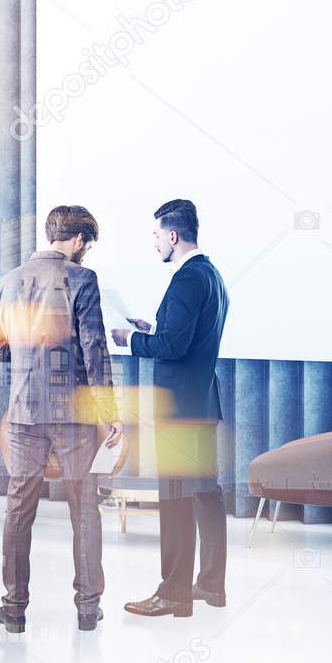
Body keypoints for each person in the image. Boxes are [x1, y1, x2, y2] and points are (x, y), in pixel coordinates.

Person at [0, 205, 123, 633]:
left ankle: (14, 608)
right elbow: (94, 349)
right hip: (74, 414)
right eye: (88, 245)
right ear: (78, 240)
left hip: (25, 412)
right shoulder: (83, 279)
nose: (86, 253)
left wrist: (30, 357)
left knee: (18, 509)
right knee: (84, 509)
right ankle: (87, 608)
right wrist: (109, 413)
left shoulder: (7, 281)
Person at [112, 198, 229, 618]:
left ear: (173, 236)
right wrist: (155, 329)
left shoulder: (185, 279)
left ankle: (174, 593)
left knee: (176, 498)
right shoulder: (212, 275)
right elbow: (185, 338)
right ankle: (211, 586)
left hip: (179, 411)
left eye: (157, 235)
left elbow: (173, 348)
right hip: (202, 404)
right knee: (206, 495)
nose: (156, 242)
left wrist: (131, 339)